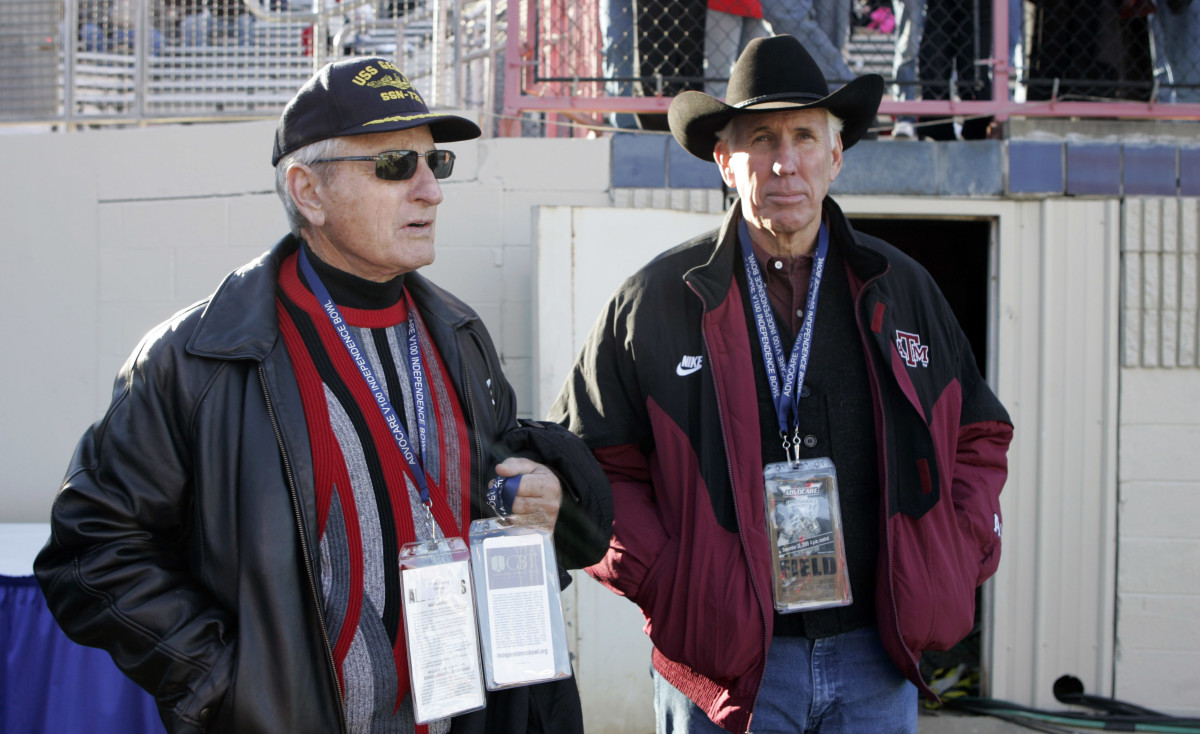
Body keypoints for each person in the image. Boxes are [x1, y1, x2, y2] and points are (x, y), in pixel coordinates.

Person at [35, 56, 612, 734]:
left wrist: (536, 494)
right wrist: (226, 683)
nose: (431, 190)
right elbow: (91, 550)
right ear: (308, 190)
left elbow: (476, 486)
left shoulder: (459, 334)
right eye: (397, 164)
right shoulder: (194, 360)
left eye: (437, 164)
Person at [551, 34, 1012, 733]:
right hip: (724, 668)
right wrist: (673, 580)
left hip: (875, 664)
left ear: (836, 155)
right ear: (724, 160)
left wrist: (956, 545)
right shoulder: (654, 301)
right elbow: (586, 463)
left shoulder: (903, 289)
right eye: (760, 138)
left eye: (804, 135)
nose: (784, 161)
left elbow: (980, 435)